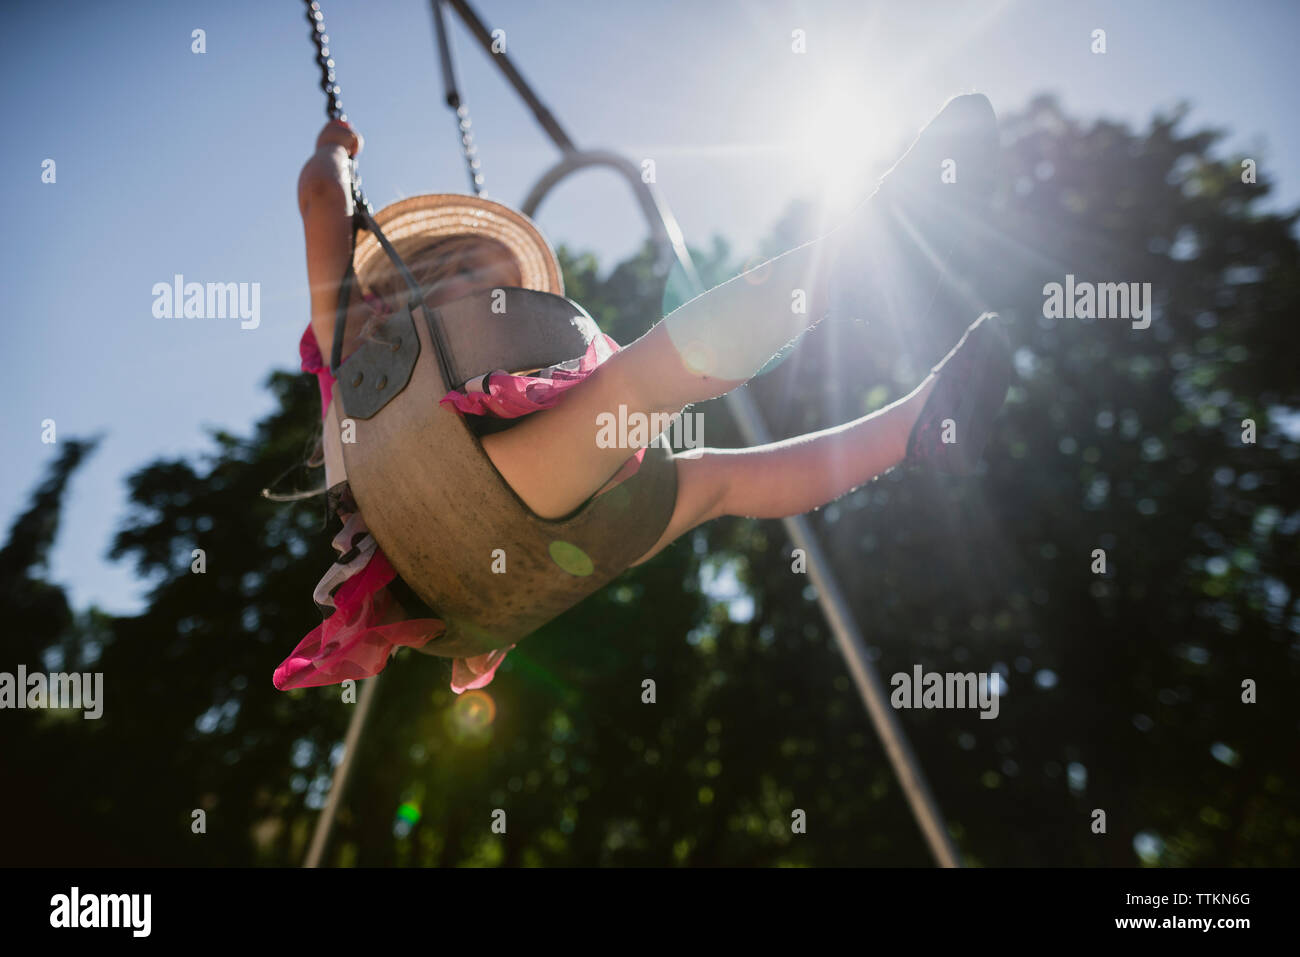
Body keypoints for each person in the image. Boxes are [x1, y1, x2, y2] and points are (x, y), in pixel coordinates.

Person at [275, 93, 1012, 694]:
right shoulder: (357, 338)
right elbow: (320, 199)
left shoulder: (512, 394)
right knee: (641, 380)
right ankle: (849, 253)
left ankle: (916, 426)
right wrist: (335, 150)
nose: (491, 296)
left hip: (508, 578)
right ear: (406, 280)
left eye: (502, 285)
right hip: (446, 525)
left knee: (717, 480)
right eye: (467, 270)